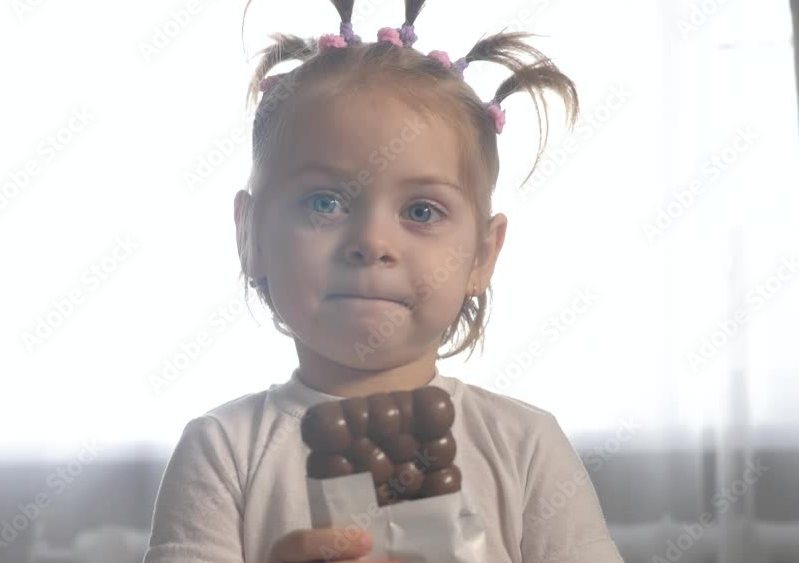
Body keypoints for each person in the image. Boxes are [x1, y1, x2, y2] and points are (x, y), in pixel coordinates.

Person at [144, 0, 625, 561]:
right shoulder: (223, 452)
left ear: (481, 256)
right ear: (250, 234)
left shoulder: (527, 447)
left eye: (421, 211)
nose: (371, 242)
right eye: (324, 202)